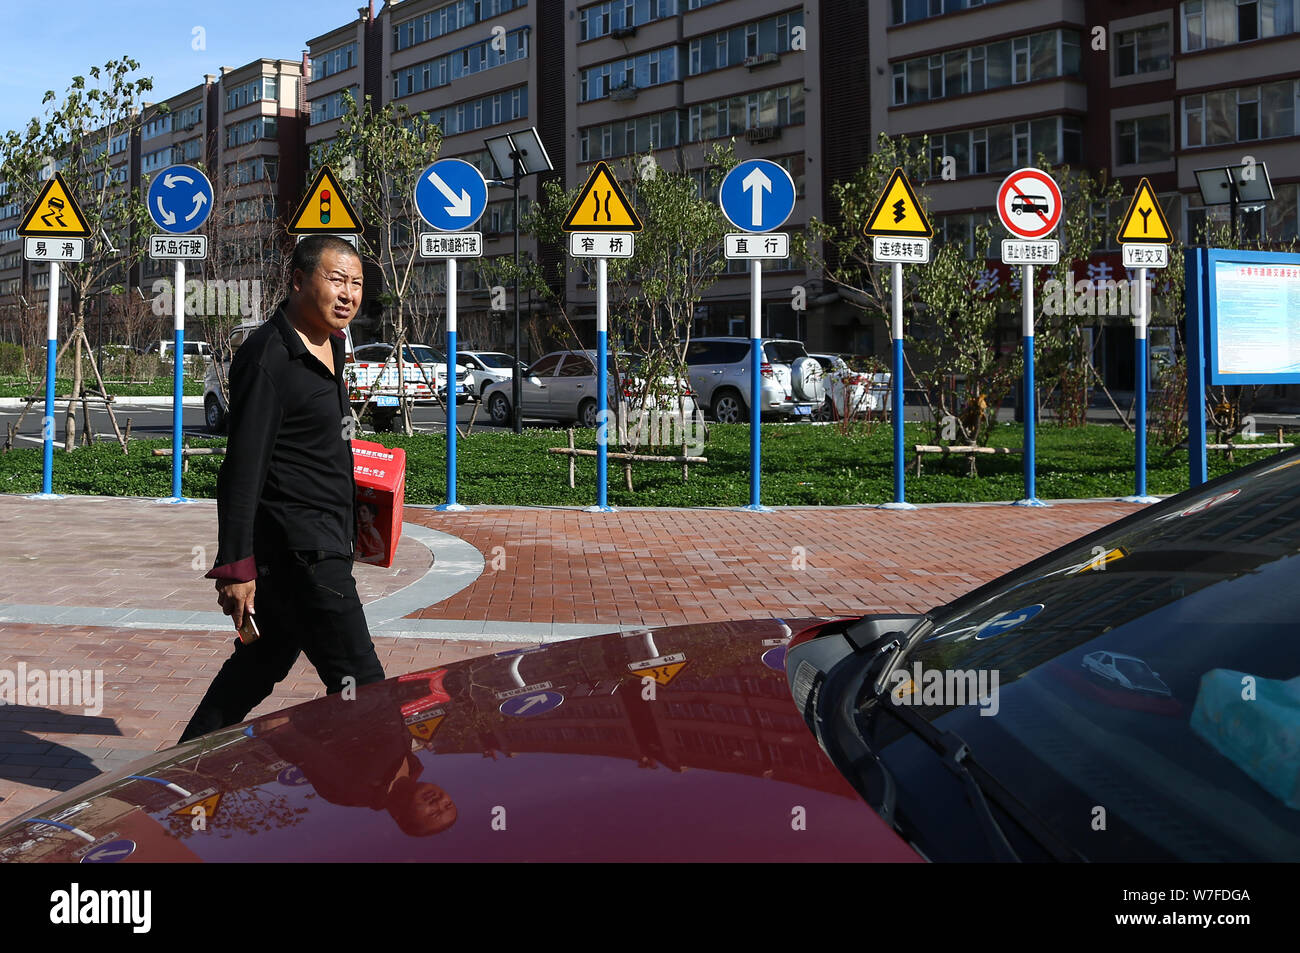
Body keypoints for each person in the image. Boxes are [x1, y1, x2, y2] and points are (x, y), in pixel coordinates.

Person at [179, 235, 386, 743]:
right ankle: (387, 793)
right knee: (365, 686)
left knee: (258, 665)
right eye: (335, 280)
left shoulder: (334, 344)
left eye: (356, 283)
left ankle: (178, 774)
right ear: (298, 281)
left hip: (319, 540)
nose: (348, 294)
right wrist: (235, 565)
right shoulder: (268, 356)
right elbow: (242, 467)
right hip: (303, 553)